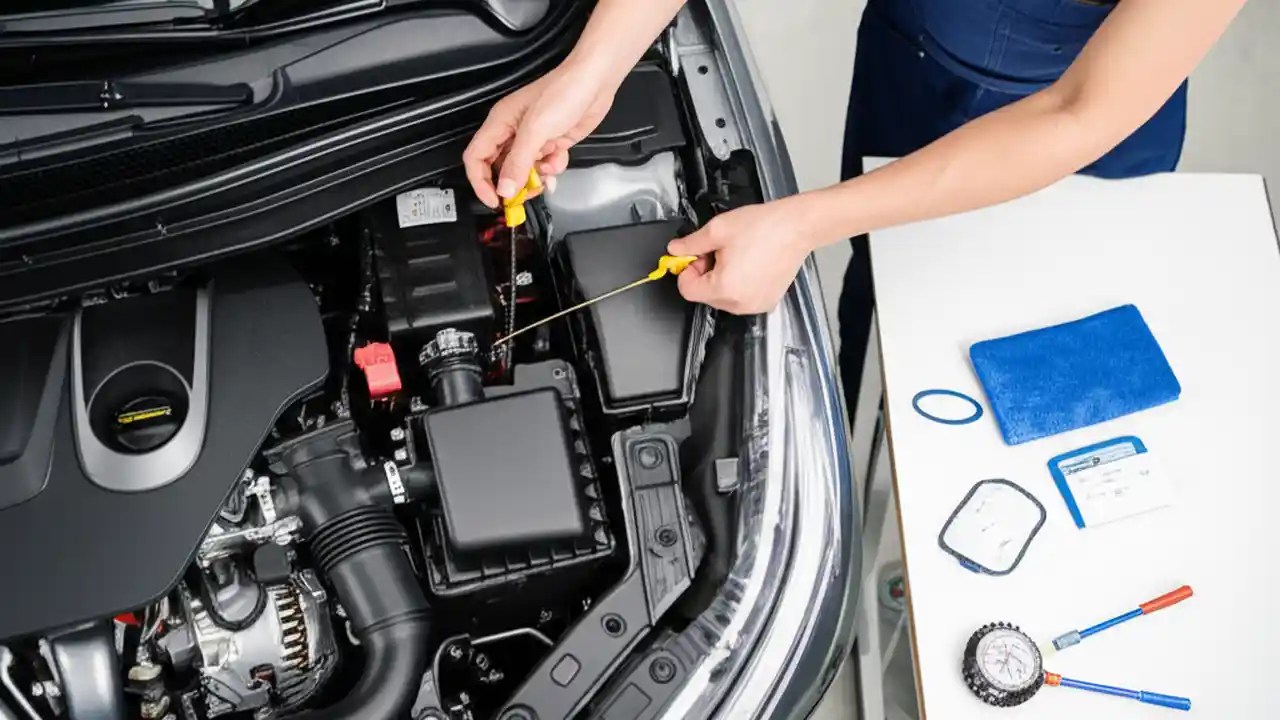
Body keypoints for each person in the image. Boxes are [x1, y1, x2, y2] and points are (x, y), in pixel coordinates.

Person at [463, 0, 1246, 414]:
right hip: (913, 66)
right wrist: (590, 75)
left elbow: (1077, 113)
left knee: (1040, 352)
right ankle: (850, 394)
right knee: (879, 303)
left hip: (1079, 137)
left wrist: (804, 221)